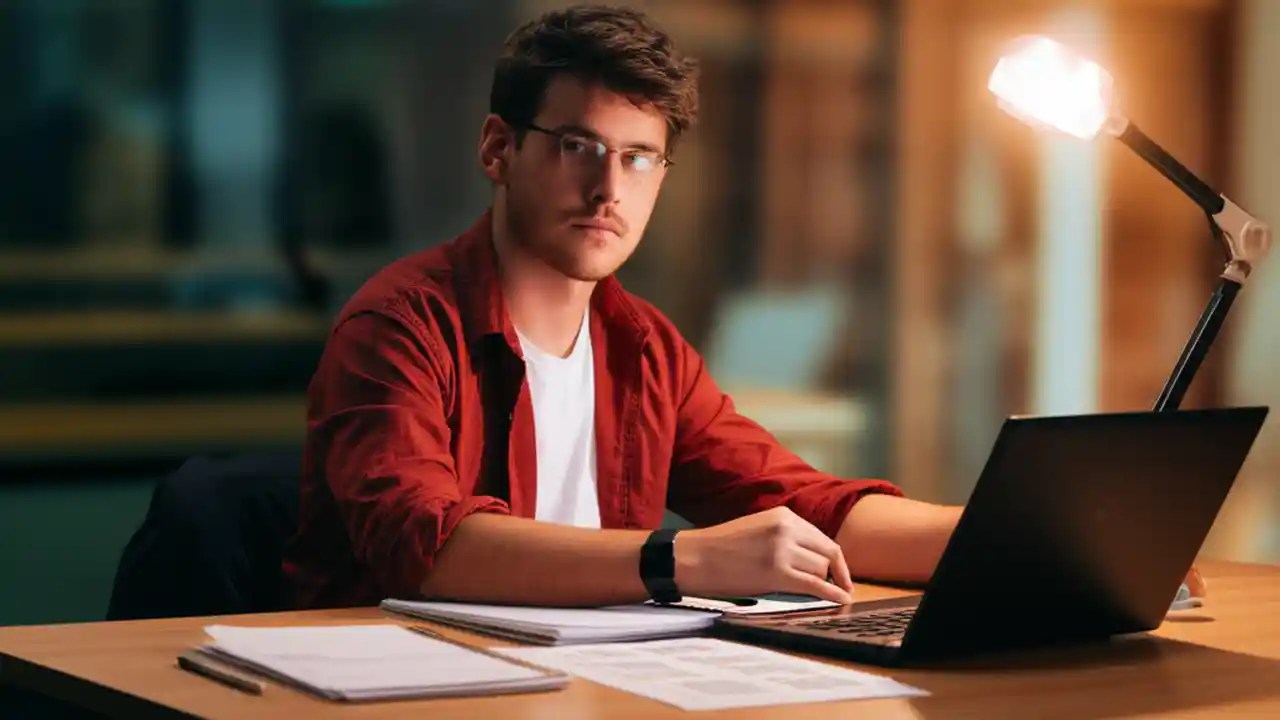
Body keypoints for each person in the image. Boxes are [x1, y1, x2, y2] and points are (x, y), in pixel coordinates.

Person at [282, 5, 1197, 610]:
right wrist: (680, 560)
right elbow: (425, 547)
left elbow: (801, 505)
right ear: (498, 149)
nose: (609, 188)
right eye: (577, 146)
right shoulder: (399, 325)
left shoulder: (642, 349)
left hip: (580, 686)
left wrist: (1048, 544)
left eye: (639, 157)